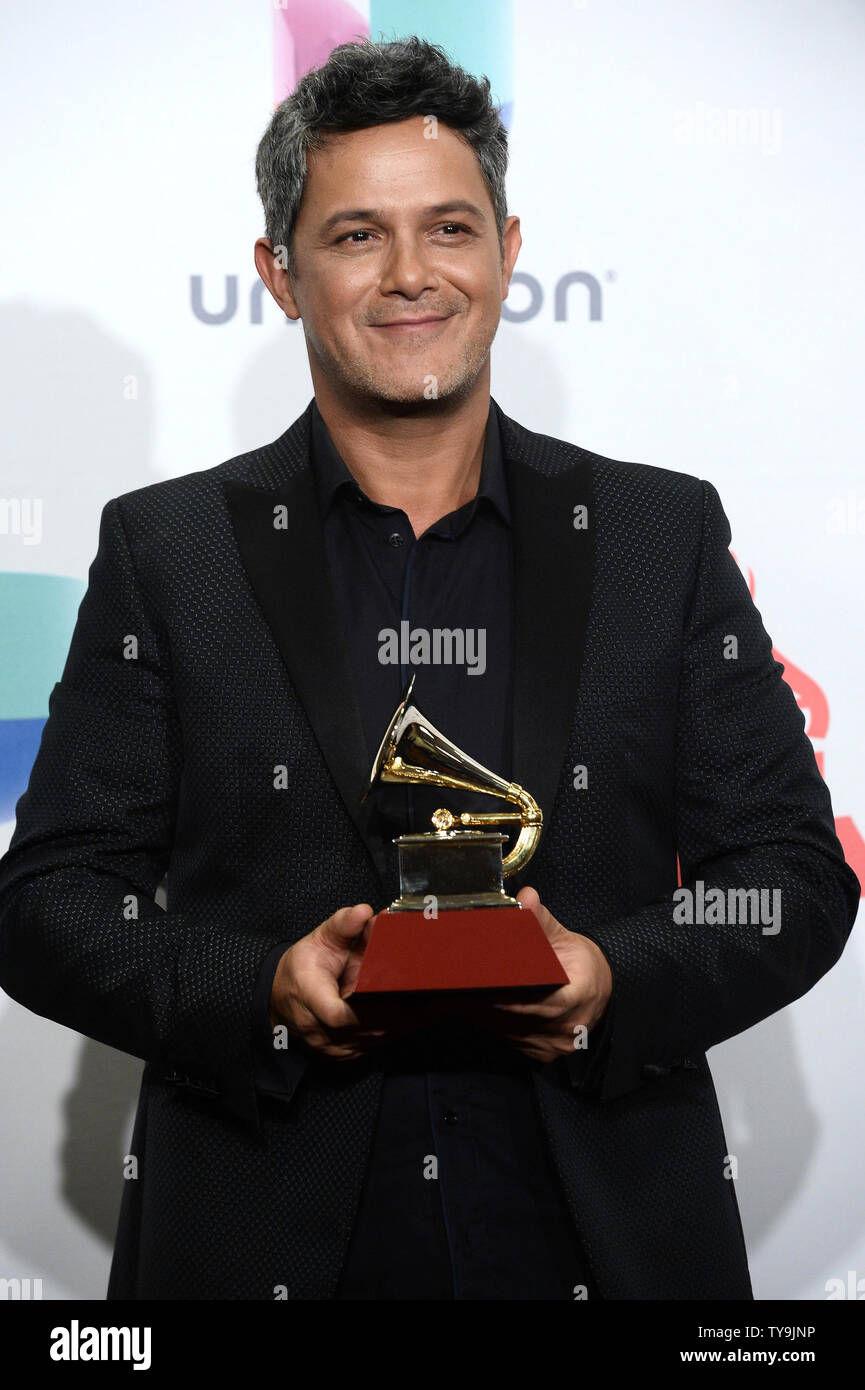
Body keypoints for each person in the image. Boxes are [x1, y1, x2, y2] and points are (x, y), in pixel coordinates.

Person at [0, 36, 858, 1301]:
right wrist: (259, 988)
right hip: (260, 1246)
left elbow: (789, 873)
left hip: (604, 1246)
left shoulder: (656, 538)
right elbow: (50, 900)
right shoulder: (167, 553)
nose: (410, 275)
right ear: (278, 275)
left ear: (508, 253)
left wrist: (616, 975)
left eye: (448, 228)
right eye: (354, 236)